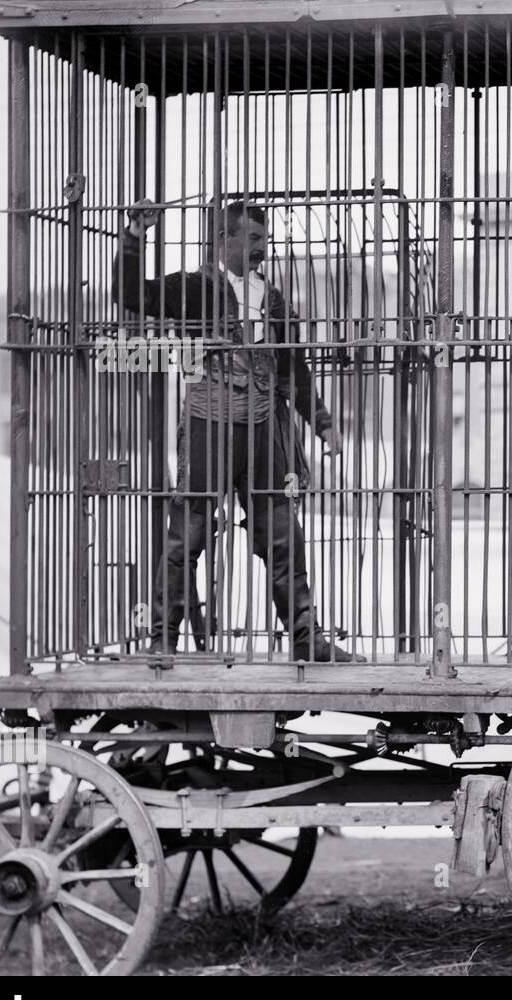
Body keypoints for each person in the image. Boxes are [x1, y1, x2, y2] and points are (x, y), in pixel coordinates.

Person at [115, 197, 361, 662]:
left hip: (264, 427)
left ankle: (307, 641)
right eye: (251, 239)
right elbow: (130, 296)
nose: (260, 249)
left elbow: (294, 370)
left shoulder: (273, 298)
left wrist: (323, 424)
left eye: (263, 240)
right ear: (222, 238)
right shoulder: (192, 288)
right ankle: (163, 638)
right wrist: (134, 236)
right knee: (186, 536)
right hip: (209, 425)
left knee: (284, 534)